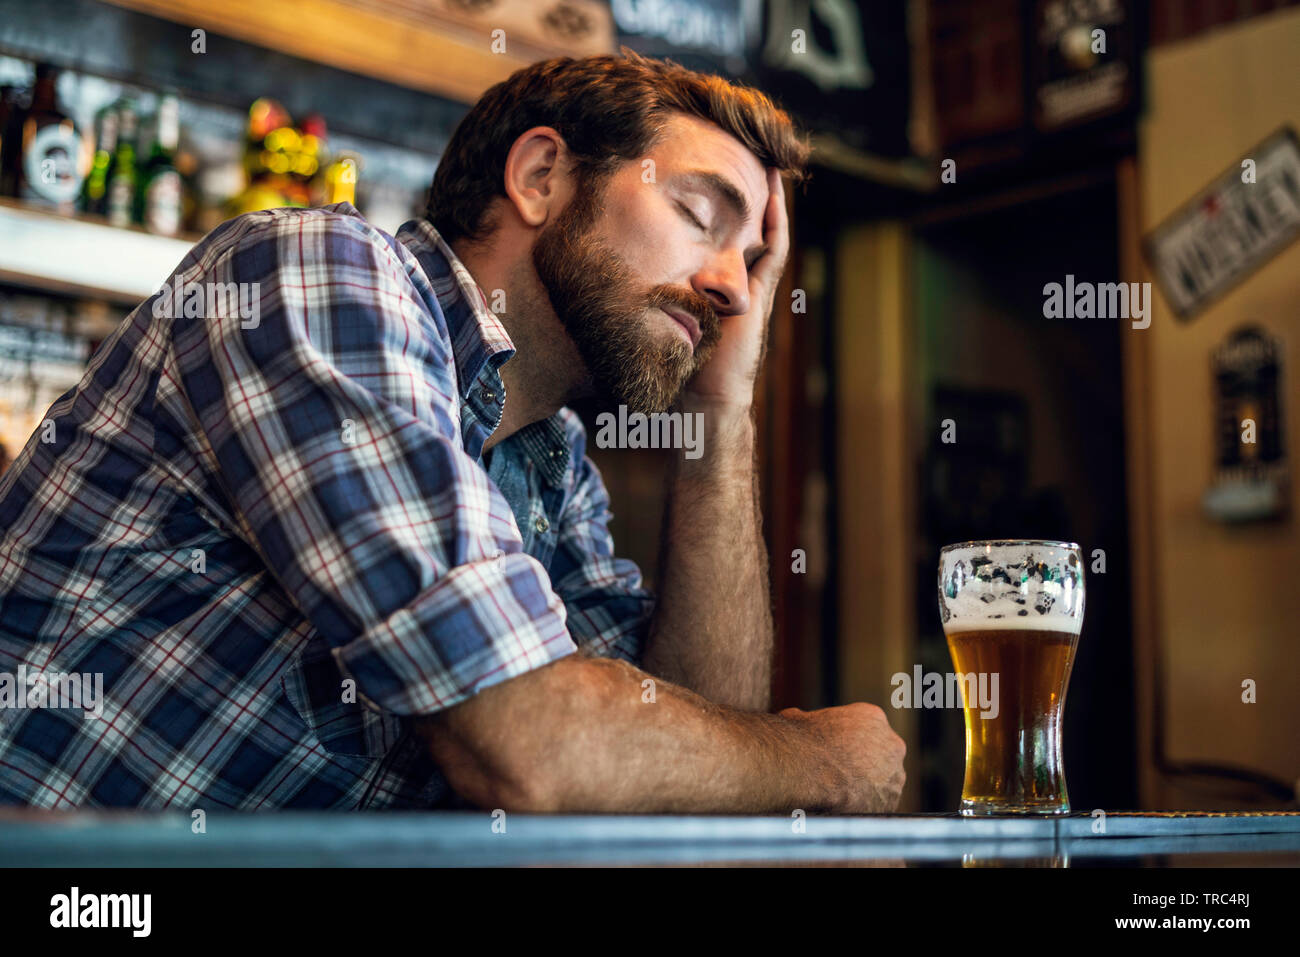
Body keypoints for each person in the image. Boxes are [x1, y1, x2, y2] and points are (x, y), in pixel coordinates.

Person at [0, 51, 904, 812]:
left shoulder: (552, 465)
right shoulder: (324, 272)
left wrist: (722, 413)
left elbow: (679, 777)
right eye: (699, 216)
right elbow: (529, 744)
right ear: (541, 177)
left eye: (751, 263)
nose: (735, 289)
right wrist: (821, 761)